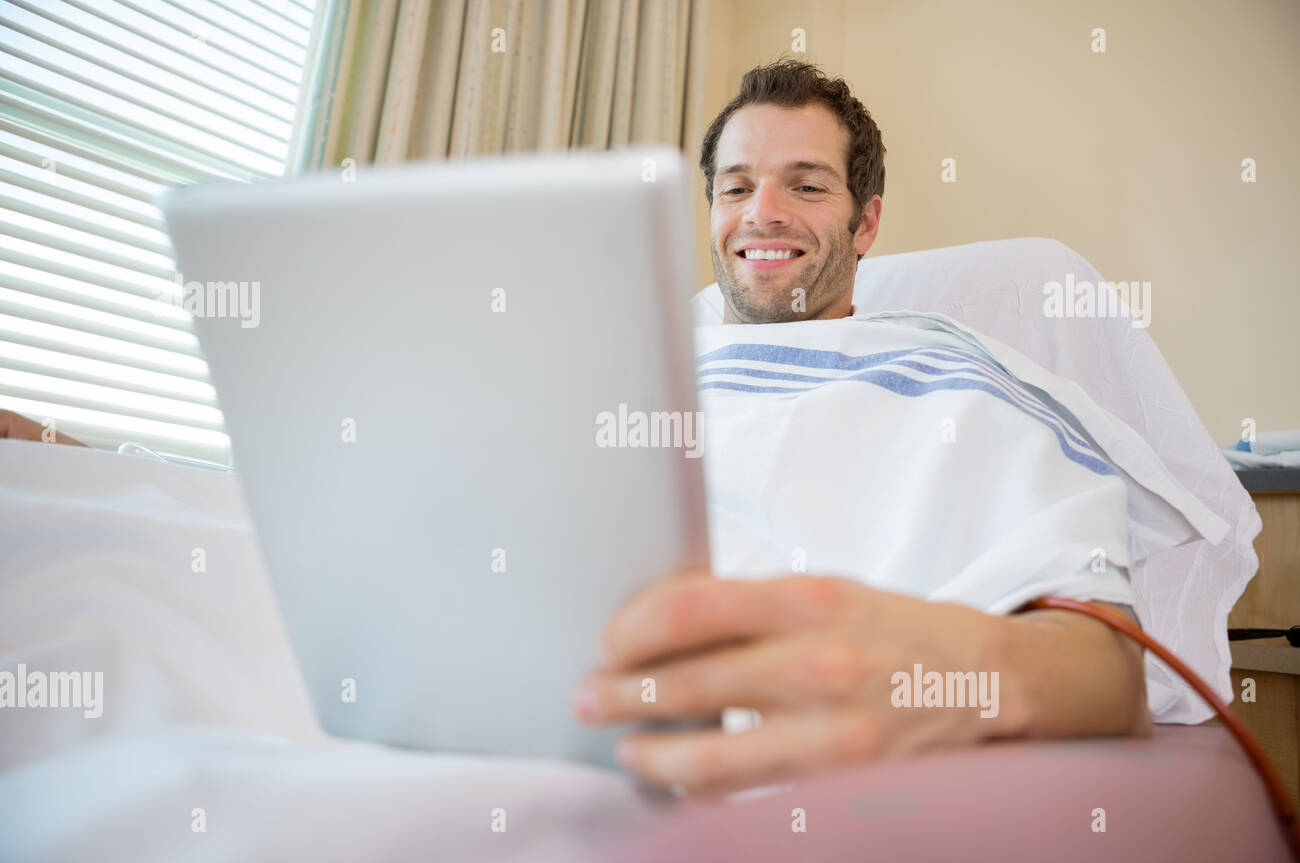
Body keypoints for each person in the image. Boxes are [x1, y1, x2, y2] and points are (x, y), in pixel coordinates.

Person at [0, 59, 1150, 796]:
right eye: (736, 184)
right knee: (48, 524)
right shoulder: (617, 351)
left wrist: (942, 675)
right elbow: (382, 513)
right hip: (423, 648)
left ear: (869, 218)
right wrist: (83, 459)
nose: (762, 214)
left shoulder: (953, 375)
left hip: (665, 704)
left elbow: (1104, 668)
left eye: (806, 183)